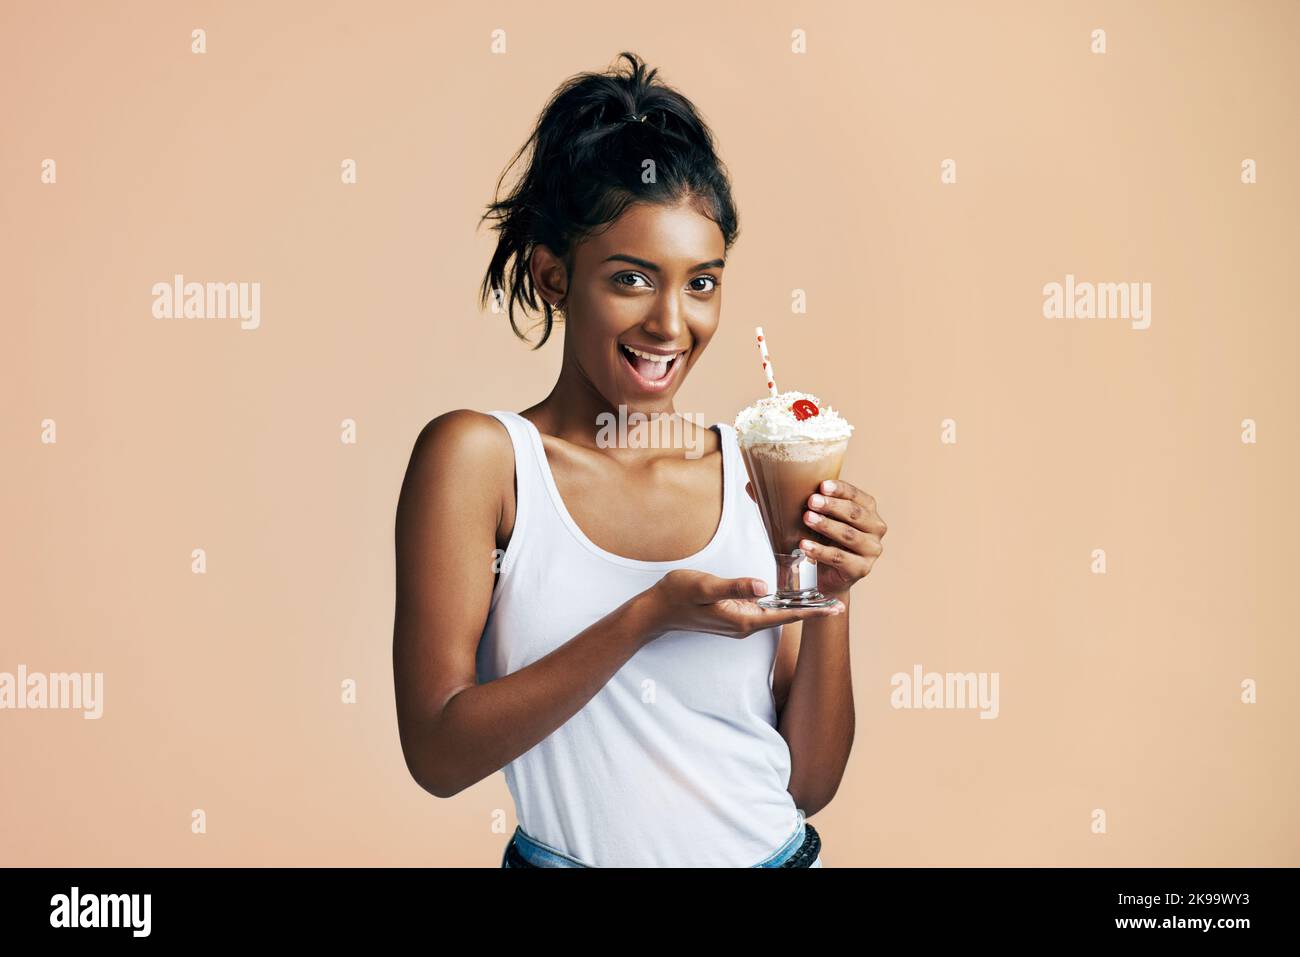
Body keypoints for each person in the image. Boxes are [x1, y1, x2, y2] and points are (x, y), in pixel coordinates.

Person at [393, 52, 887, 867]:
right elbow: (438, 752)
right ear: (555, 276)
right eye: (631, 278)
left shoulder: (753, 469)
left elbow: (807, 782)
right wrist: (645, 616)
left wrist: (830, 590)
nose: (671, 323)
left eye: (702, 283)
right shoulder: (483, 461)